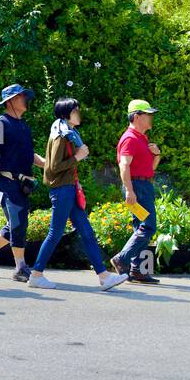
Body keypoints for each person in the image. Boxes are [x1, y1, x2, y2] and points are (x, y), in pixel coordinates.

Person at [28, 100, 128, 291]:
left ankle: (104, 276)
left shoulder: (66, 132)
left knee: (87, 232)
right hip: (62, 190)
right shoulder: (60, 136)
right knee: (55, 233)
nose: (79, 113)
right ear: (66, 114)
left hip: (68, 188)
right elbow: (53, 167)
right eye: (75, 110)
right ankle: (36, 274)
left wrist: (75, 178)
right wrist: (77, 157)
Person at [0, 84, 44, 282]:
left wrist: (46, 165)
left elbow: (30, 155)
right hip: (5, 181)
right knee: (18, 222)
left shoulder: (23, 125)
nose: (25, 100)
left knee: (16, 222)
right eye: (22, 97)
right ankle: (20, 267)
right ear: (11, 101)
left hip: (22, 183)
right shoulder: (0, 123)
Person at [111, 100, 163, 284]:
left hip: (143, 185)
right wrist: (129, 191)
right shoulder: (130, 138)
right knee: (148, 226)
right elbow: (123, 165)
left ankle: (136, 270)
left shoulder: (142, 138)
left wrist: (156, 155)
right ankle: (122, 259)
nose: (151, 117)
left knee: (139, 226)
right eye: (147, 114)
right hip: (136, 187)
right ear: (136, 116)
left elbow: (149, 168)